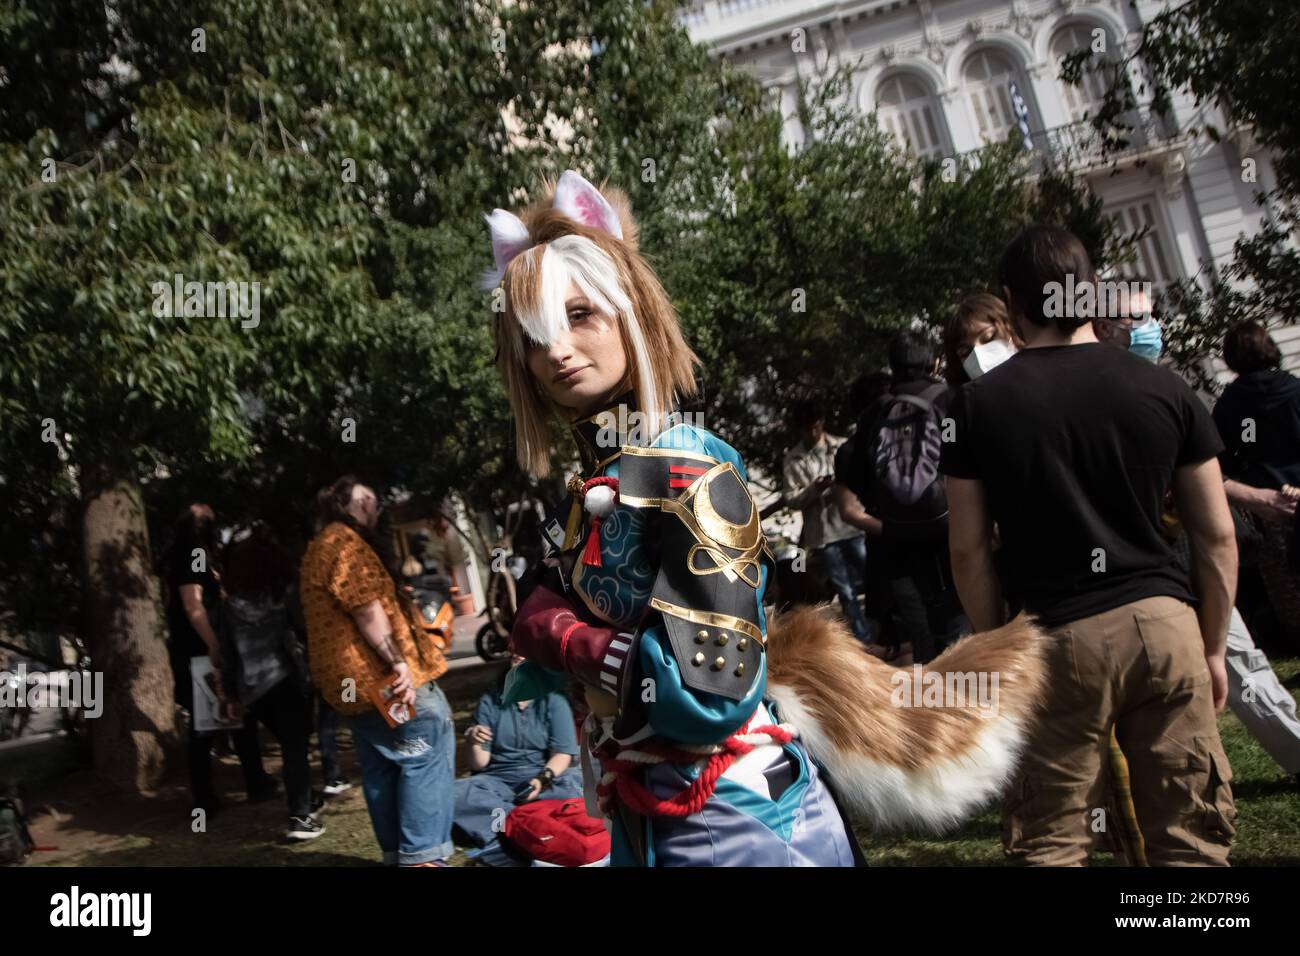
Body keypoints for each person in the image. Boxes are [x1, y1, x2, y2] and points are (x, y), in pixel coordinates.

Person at [483, 170, 1048, 866]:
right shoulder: (602, 478)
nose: (557, 352)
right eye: (536, 337)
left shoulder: (683, 467)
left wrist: (561, 634)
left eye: (580, 316)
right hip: (650, 813)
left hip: (733, 821)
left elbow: (707, 690)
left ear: (631, 312)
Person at [942, 225, 1238, 866]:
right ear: (1092, 290)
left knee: (1049, 839)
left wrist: (1001, 641)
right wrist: (1212, 646)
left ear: (1011, 302)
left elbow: (967, 551)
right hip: (1165, 627)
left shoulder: (975, 407)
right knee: (1190, 838)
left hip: (1052, 639)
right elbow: (1216, 535)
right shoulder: (1163, 387)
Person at [299, 476, 454, 866]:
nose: (373, 506)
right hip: (379, 676)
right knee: (427, 740)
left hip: (351, 686)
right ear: (342, 506)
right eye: (364, 500)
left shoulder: (320, 545)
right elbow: (367, 610)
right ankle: (421, 857)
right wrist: (398, 661)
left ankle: (396, 854)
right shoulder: (344, 545)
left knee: (382, 762)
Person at [838, 331, 968, 663]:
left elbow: (857, 477)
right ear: (934, 362)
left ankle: (933, 700)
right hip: (953, 530)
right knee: (959, 619)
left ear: (892, 367)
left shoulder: (875, 414)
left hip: (897, 542)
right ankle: (971, 694)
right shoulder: (951, 398)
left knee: (921, 626)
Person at [163, 504, 279, 816]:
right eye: (207, 518)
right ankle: (206, 796)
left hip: (200, 650)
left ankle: (253, 780)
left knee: (234, 715)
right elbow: (193, 605)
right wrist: (213, 644)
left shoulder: (185, 554)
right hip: (201, 653)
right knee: (207, 724)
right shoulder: (193, 554)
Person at [220, 526, 322, 840]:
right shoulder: (285, 595)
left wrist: (232, 694)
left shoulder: (229, 606)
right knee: (295, 747)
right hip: (287, 679)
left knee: (292, 745)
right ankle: (300, 817)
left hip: (254, 690)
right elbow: (304, 632)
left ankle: (305, 798)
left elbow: (227, 653)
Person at [453, 656, 584, 850]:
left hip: (543, 778)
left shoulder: (555, 702)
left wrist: (541, 781)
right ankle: (529, 825)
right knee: (455, 793)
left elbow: (562, 754)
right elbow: (479, 764)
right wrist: (473, 740)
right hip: (497, 780)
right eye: (516, 660)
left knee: (574, 786)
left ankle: (507, 824)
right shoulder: (490, 701)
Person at [782, 399, 872, 644]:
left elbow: (862, 480)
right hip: (823, 535)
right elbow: (791, 499)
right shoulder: (793, 458)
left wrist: (840, 487)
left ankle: (886, 632)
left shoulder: (841, 446)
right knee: (845, 592)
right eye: (806, 428)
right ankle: (863, 640)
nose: (812, 433)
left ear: (821, 423)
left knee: (872, 581)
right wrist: (814, 490)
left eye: (815, 426)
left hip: (853, 526)